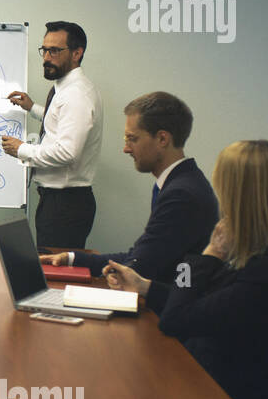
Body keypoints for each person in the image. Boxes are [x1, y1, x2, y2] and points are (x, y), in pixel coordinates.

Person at [104, 141, 268, 399]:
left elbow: (177, 319)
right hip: (218, 376)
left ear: (242, 196)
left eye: (225, 192)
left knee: (116, 391)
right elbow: (207, 304)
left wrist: (210, 254)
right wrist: (146, 287)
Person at [41, 92, 217, 282]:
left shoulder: (181, 194)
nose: (126, 149)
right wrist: (72, 259)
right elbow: (139, 255)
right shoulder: (180, 182)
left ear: (162, 139)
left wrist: (109, 276)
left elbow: (141, 266)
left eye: (132, 139)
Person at [3, 21, 102, 249]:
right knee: (52, 271)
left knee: (54, 275)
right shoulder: (66, 88)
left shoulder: (76, 95)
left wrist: (21, 149)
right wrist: (32, 107)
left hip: (65, 205)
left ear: (77, 53)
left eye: (55, 51)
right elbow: (59, 121)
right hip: (59, 202)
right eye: (44, 50)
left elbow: (67, 152)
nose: (46, 57)